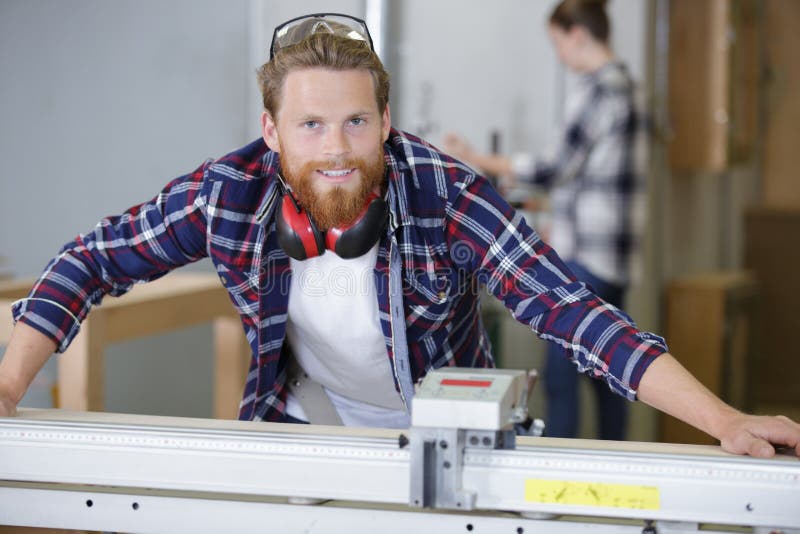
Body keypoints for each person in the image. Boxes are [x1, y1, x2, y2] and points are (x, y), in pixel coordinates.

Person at [0, 13, 797, 457]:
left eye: (355, 122)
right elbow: (87, 261)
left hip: (447, 444)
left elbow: (570, 310)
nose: (338, 149)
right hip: (300, 430)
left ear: (386, 121)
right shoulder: (227, 197)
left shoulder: (445, 195)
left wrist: (725, 421)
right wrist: (7, 388)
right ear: (272, 132)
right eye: (311, 124)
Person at [444, 0, 645, 441]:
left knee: (562, 373)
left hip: (590, 256)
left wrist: (475, 159)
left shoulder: (601, 90)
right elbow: (590, 177)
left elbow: (555, 168)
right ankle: (617, 462)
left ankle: (557, 474)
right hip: (609, 253)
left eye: (558, 43)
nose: (559, 56)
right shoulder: (625, 85)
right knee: (608, 369)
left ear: (577, 34)